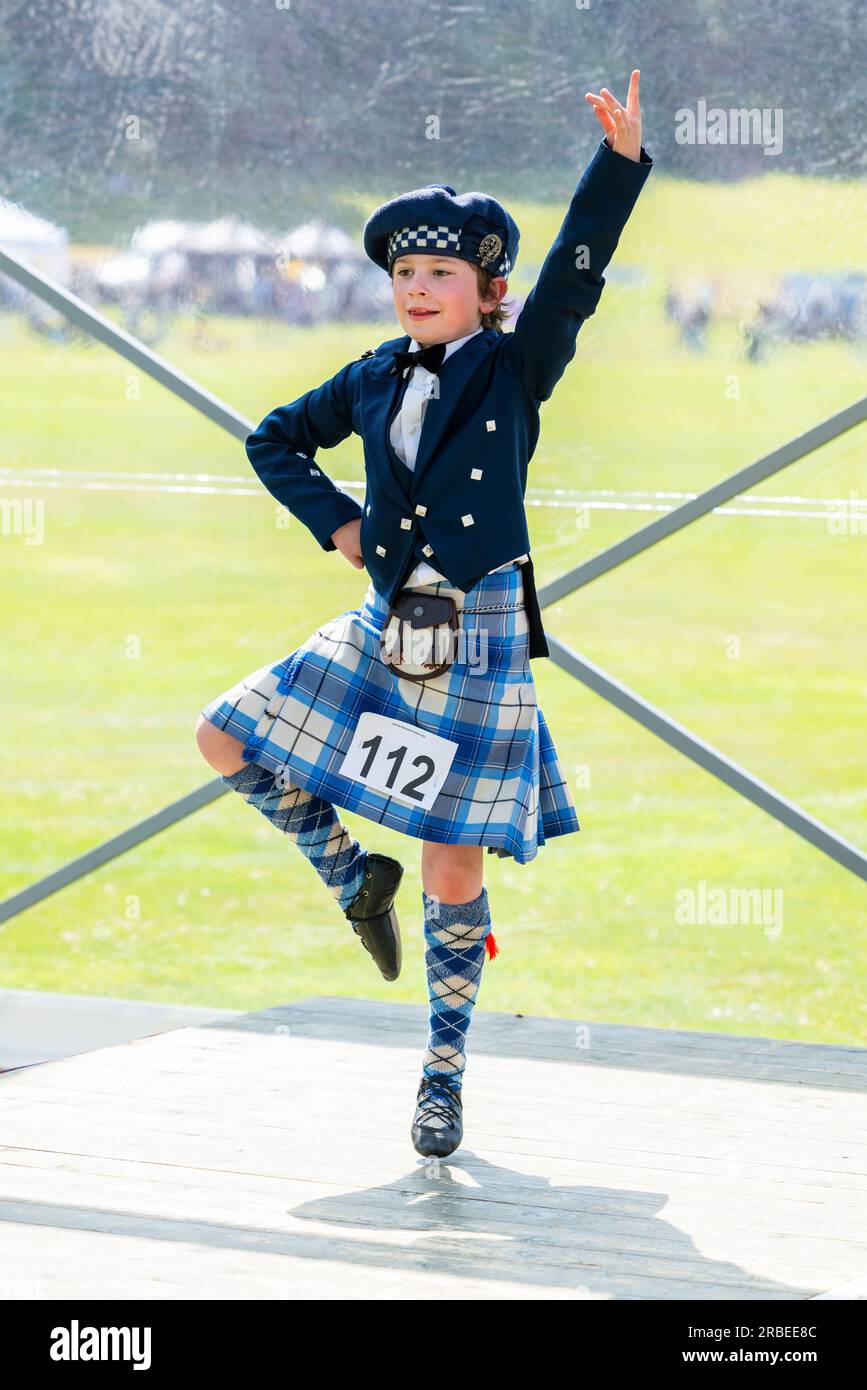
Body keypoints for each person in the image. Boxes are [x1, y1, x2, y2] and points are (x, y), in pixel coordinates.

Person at [195, 72, 653, 1158]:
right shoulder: (367, 376)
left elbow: (574, 281)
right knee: (225, 734)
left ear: (486, 287)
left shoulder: (514, 366)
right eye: (404, 270)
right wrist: (341, 525)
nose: (416, 286)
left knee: (455, 864)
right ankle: (356, 877)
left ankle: (441, 1076)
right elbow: (271, 438)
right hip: (387, 619)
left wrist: (618, 169)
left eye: (440, 270)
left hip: (479, 625)